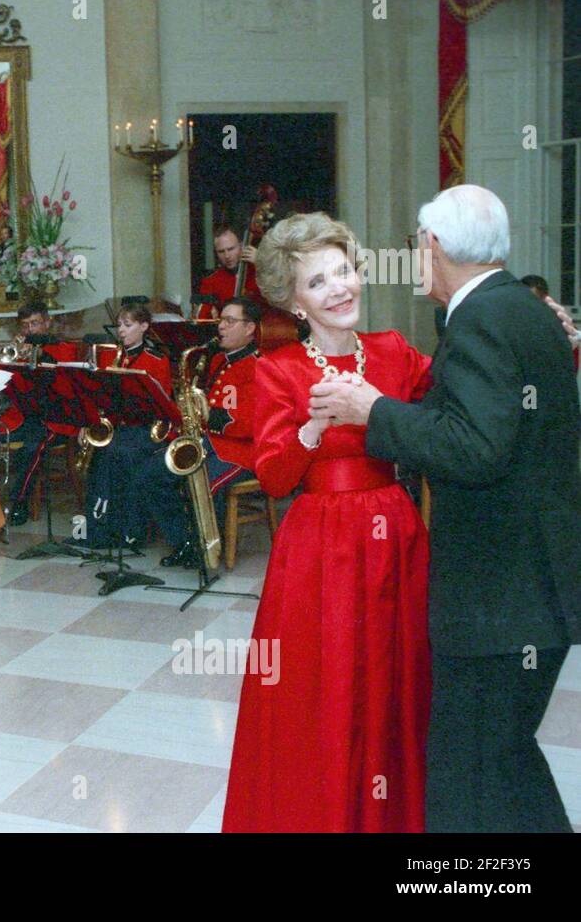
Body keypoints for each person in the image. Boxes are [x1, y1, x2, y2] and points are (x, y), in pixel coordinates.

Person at [309, 185, 581, 833]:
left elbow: (477, 447)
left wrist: (371, 411)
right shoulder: (525, 307)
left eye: (416, 245)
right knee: (504, 761)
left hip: (497, 599)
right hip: (533, 590)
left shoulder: (481, 319)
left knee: (467, 774)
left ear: (433, 247)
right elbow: (488, 421)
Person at [222, 212, 434, 832]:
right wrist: (312, 429)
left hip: (396, 533)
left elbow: (453, 409)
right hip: (319, 548)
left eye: (344, 270)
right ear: (294, 300)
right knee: (325, 691)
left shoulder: (395, 352)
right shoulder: (279, 369)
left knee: (394, 688)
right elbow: (277, 477)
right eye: (319, 282)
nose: (340, 289)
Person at [0, 301, 84, 527]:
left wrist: (39, 355)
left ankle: (19, 502)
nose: (30, 330)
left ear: (47, 322)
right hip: (24, 416)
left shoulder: (64, 347)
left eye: (35, 324)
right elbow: (9, 387)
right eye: (25, 326)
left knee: (33, 448)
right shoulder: (19, 350)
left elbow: (65, 380)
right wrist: (12, 362)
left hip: (55, 420)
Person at [151, 296, 261, 567]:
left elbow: (251, 423)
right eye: (221, 320)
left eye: (230, 321)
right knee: (150, 474)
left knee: (202, 484)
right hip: (209, 442)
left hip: (242, 451)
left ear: (250, 328)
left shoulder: (261, 367)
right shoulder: (219, 360)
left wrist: (208, 416)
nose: (221, 326)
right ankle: (185, 542)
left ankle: (208, 549)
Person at [70, 300, 174, 550]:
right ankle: (98, 528)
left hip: (146, 429)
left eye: (128, 325)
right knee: (101, 455)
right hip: (120, 428)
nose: (122, 331)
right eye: (119, 325)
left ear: (144, 326)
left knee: (118, 454)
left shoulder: (157, 360)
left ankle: (129, 530)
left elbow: (162, 404)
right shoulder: (114, 357)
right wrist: (90, 422)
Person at [195, 225, 260, 318]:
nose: (227, 256)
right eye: (221, 251)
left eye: (231, 249)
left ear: (242, 246)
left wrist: (262, 264)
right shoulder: (210, 282)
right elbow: (203, 319)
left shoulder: (259, 271)